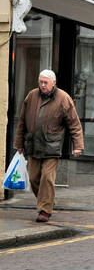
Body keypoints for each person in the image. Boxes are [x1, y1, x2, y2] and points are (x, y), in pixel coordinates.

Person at [14, 69, 84, 222]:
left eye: (46, 82)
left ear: (53, 83)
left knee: (47, 178)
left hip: (51, 146)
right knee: (33, 178)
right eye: (41, 82)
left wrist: (77, 145)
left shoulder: (63, 98)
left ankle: (45, 210)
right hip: (33, 145)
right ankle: (48, 200)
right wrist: (19, 143)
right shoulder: (31, 96)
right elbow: (21, 122)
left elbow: (74, 124)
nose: (43, 85)